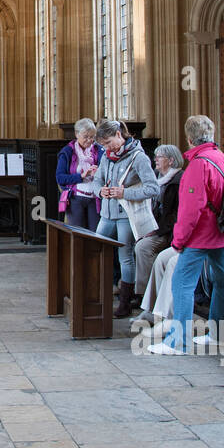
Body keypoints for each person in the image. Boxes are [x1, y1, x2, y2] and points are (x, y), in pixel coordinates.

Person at [149, 115, 224, 355]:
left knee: (181, 284)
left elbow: (190, 210)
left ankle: (178, 342)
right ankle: (221, 335)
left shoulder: (199, 164)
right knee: (223, 282)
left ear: (189, 139)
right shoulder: (223, 159)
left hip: (201, 236)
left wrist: (178, 241)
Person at [91, 120, 159, 317]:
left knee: (125, 258)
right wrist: (100, 191)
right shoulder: (107, 156)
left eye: (108, 142)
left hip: (125, 215)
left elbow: (153, 188)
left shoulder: (138, 157)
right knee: (94, 248)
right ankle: (96, 294)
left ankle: (125, 303)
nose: (106, 147)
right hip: (106, 213)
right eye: (103, 145)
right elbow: (97, 181)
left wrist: (125, 193)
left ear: (119, 134)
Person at [133, 144, 184, 302]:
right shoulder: (156, 177)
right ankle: (143, 292)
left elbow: (176, 214)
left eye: (159, 156)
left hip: (169, 232)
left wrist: (156, 230)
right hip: (155, 226)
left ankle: (147, 295)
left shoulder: (179, 181)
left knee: (142, 247)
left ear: (170, 160)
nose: (155, 159)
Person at [55, 118, 102, 230]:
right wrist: (81, 176)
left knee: (95, 234)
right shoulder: (67, 152)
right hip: (75, 198)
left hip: (95, 197)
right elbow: (60, 178)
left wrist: (98, 172)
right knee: (77, 234)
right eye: (86, 137)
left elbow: (106, 172)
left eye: (92, 137)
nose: (89, 140)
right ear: (77, 134)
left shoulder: (99, 150)